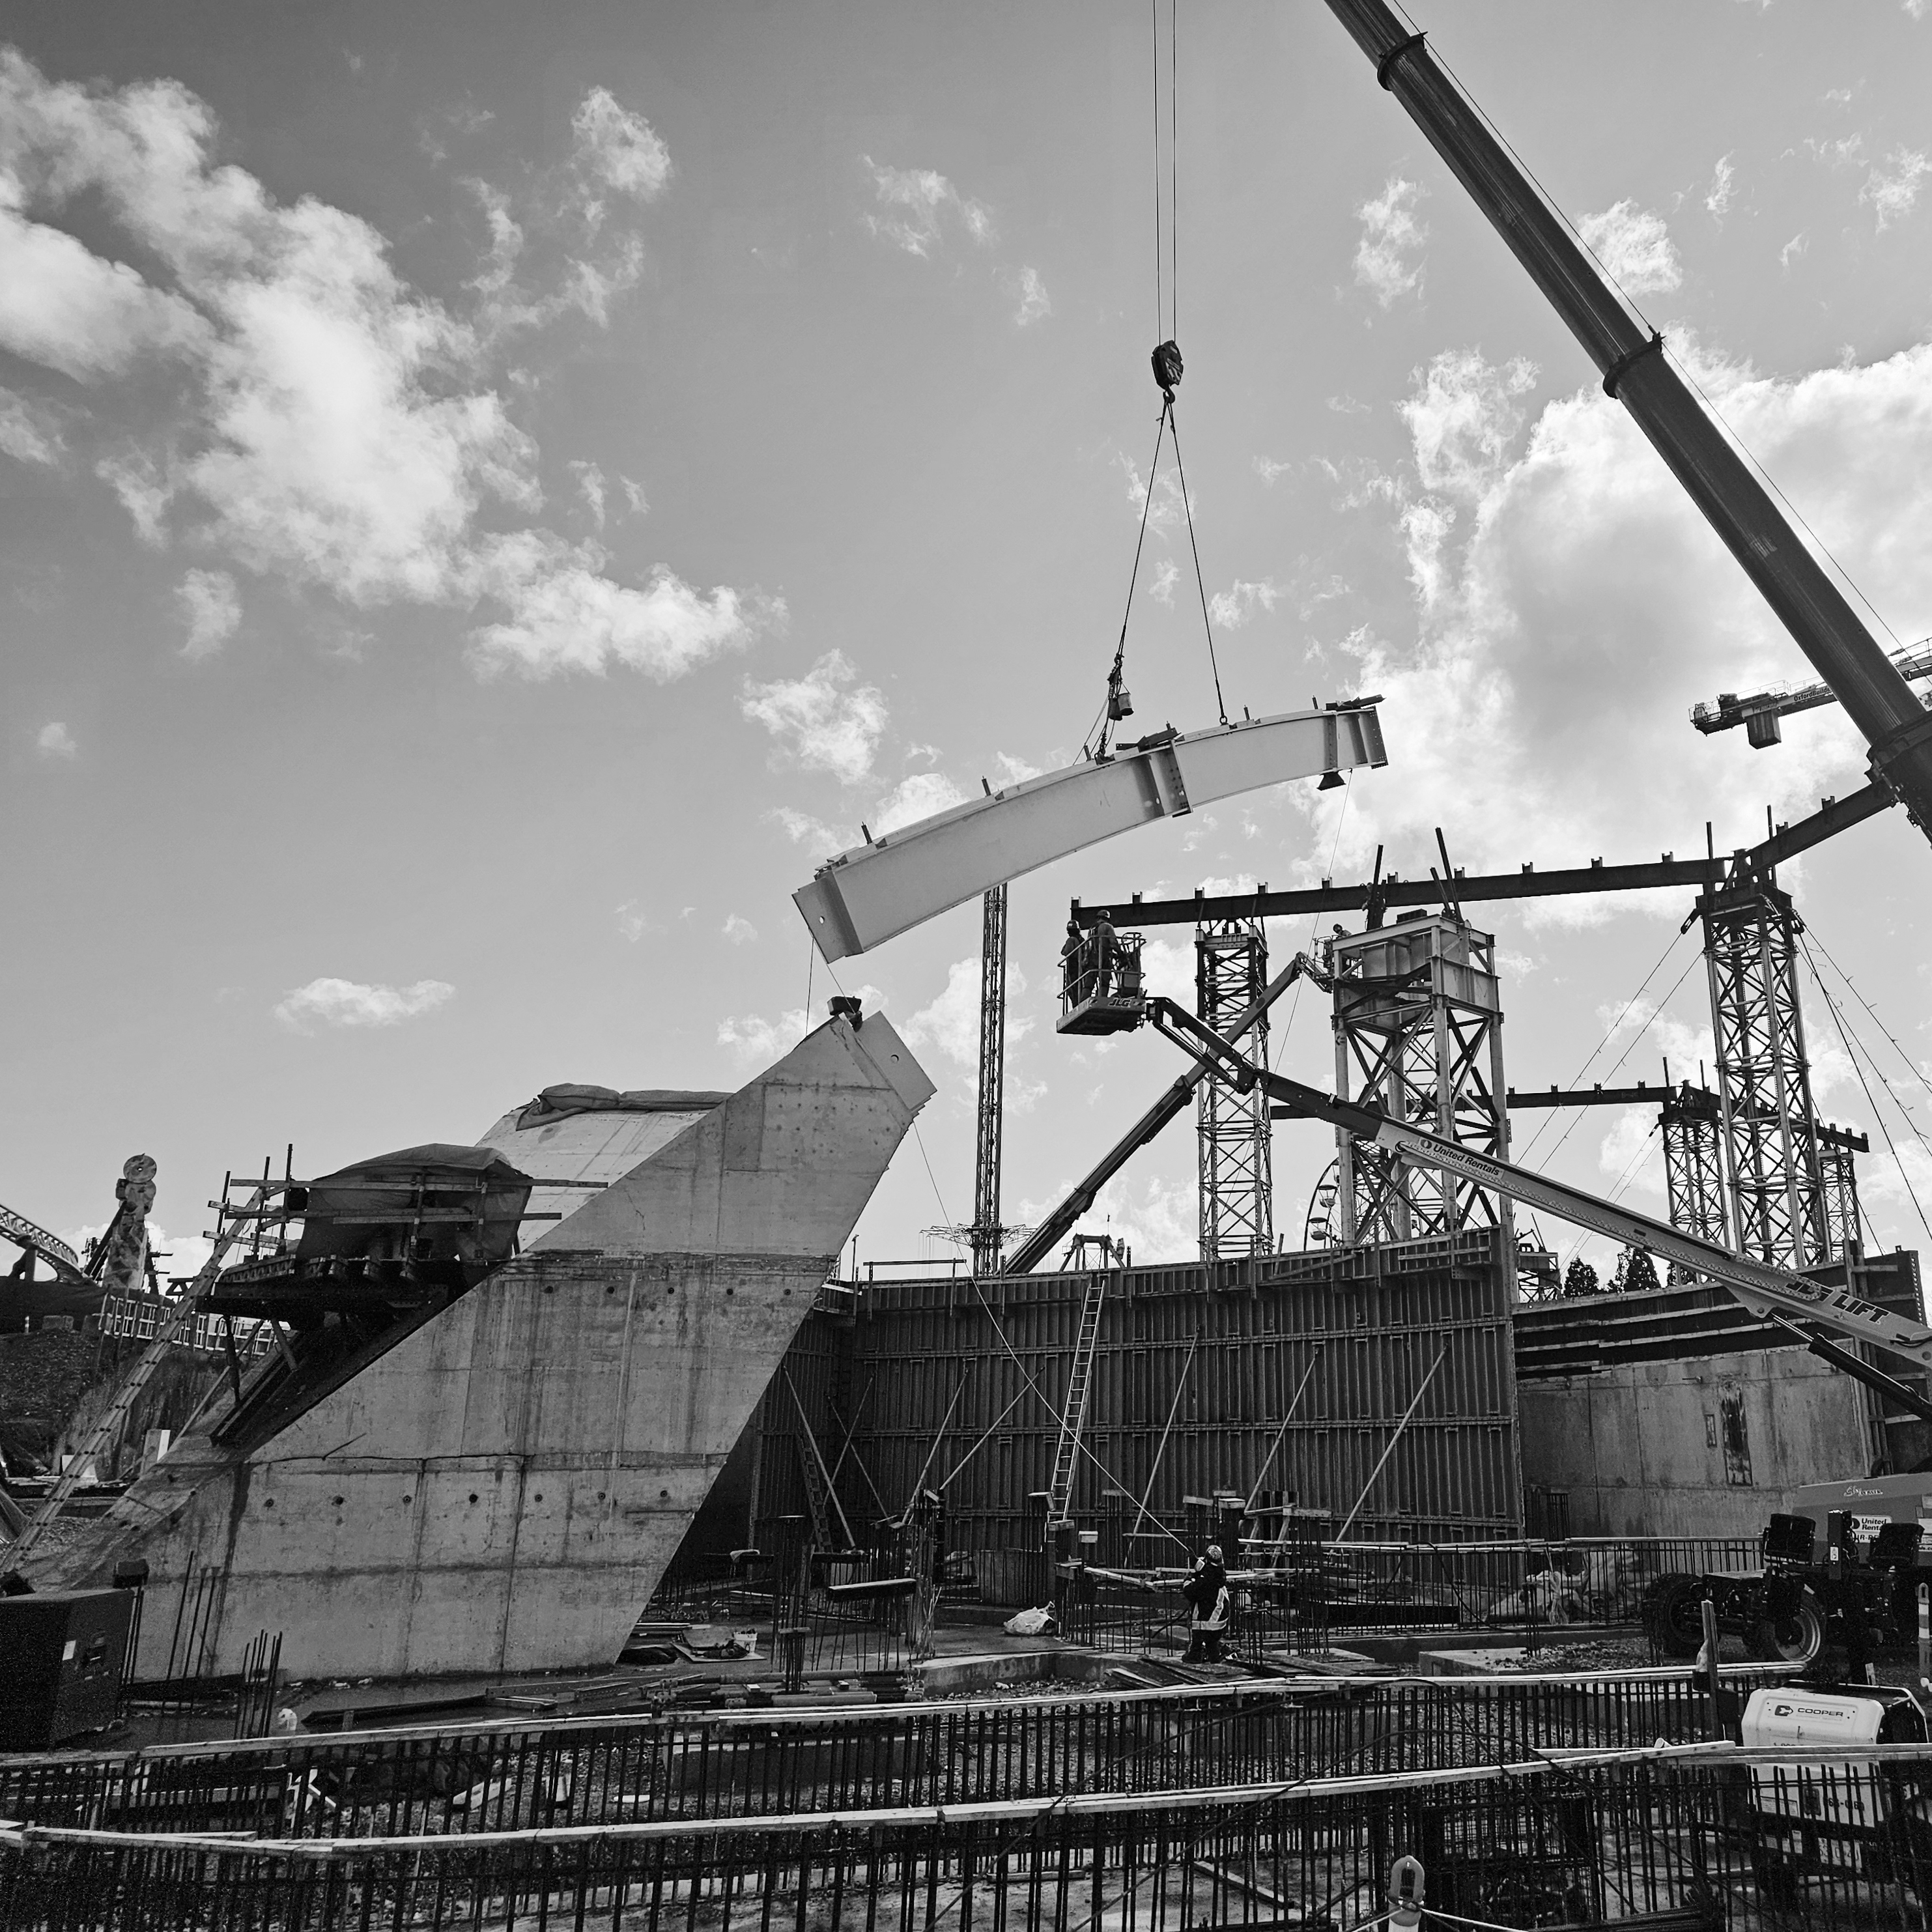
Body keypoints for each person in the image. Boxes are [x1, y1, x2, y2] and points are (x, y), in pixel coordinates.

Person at [1183, 1542, 1230, 1664]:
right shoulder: (1218, 1572)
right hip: (1219, 1615)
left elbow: (1190, 1592)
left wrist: (1187, 1580)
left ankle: (1194, 1657)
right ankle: (1215, 1660)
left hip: (1209, 1617)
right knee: (1212, 1642)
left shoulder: (1206, 1581)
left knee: (1199, 1638)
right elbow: (1206, 1568)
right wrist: (1194, 1560)